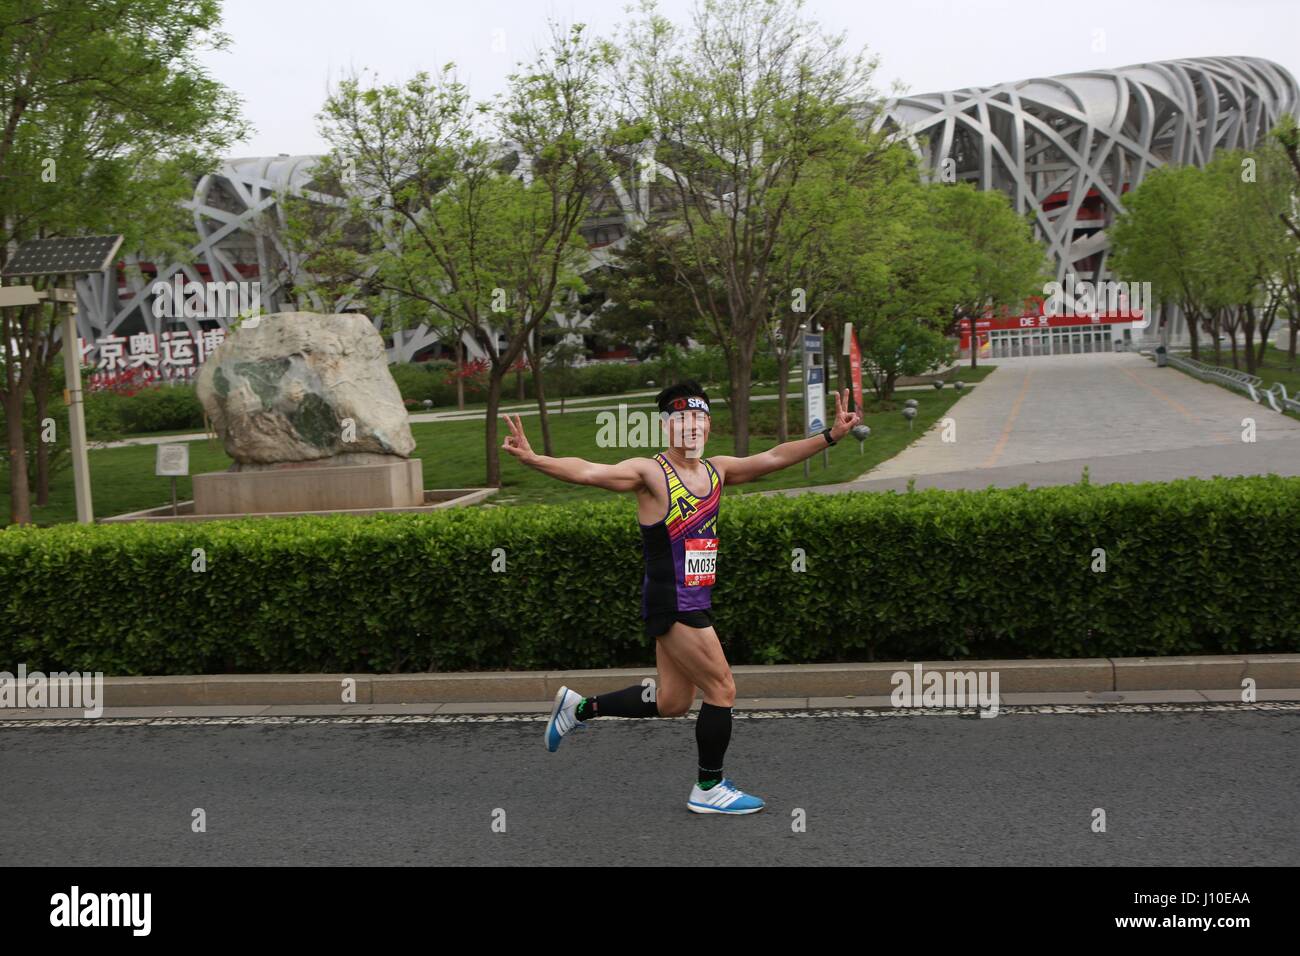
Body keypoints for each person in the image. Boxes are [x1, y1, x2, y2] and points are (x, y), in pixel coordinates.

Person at [501, 381, 861, 814]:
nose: (692, 427)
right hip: (673, 604)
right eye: (682, 419)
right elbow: (589, 470)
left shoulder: (716, 471)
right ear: (666, 427)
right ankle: (708, 788)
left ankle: (579, 708)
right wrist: (535, 459)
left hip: (693, 600)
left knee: (672, 702)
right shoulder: (650, 474)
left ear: (708, 425)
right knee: (722, 688)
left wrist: (828, 437)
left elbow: (773, 457)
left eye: (699, 419)